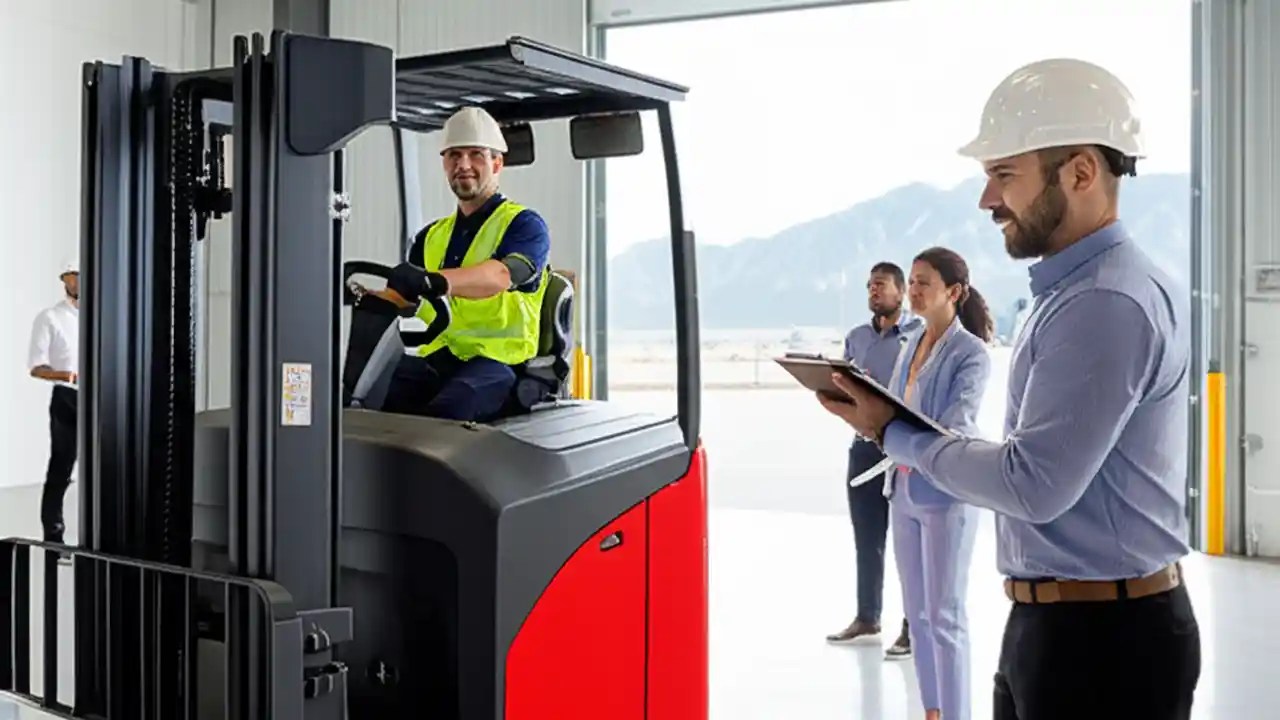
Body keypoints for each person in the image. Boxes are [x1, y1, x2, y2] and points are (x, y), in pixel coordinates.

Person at [818, 58, 1200, 719]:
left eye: (1004, 174)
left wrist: (894, 432)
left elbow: (1033, 484)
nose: (988, 200)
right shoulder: (1077, 292)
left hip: (1104, 645)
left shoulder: (1104, 303)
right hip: (1066, 621)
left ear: (1080, 173)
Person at [383, 106, 551, 422]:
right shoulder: (430, 236)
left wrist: (436, 280)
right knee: (368, 392)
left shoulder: (524, 225)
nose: (463, 165)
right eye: (454, 155)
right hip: (439, 358)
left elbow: (501, 275)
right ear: (444, 164)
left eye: (476, 154)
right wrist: (362, 295)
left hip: (499, 364)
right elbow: (403, 299)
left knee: (448, 412)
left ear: (497, 163)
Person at [884, 247, 991, 720]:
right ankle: (932, 710)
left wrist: (895, 438)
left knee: (945, 615)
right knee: (918, 613)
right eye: (911, 281)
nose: (913, 290)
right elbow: (891, 406)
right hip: (902, 490)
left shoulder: (971, 353)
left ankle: (956, 713)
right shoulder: (910, 343)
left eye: (924, 282)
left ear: (954, 291)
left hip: (946, 495)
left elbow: (956, 427)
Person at [827, 261, 918, 661]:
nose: (873, 291)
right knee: (867, 537)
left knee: (907, 543)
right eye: (869, 286)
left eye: (880, 285)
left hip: (903, 450)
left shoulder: (919, 334)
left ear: (901, 291)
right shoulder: (857, 338)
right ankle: (867, 617)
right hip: (864, 448)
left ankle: (913, 627)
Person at [28, 256, 80, 549]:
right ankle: (54, 536)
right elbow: (36, 367)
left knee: (109, 463)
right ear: (65, 280)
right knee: (62, 464)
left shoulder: (100, 315)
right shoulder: (50, 317)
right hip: (68, 396)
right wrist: (67, 375)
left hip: (101, 396)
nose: (78, 281)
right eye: (73, 275)